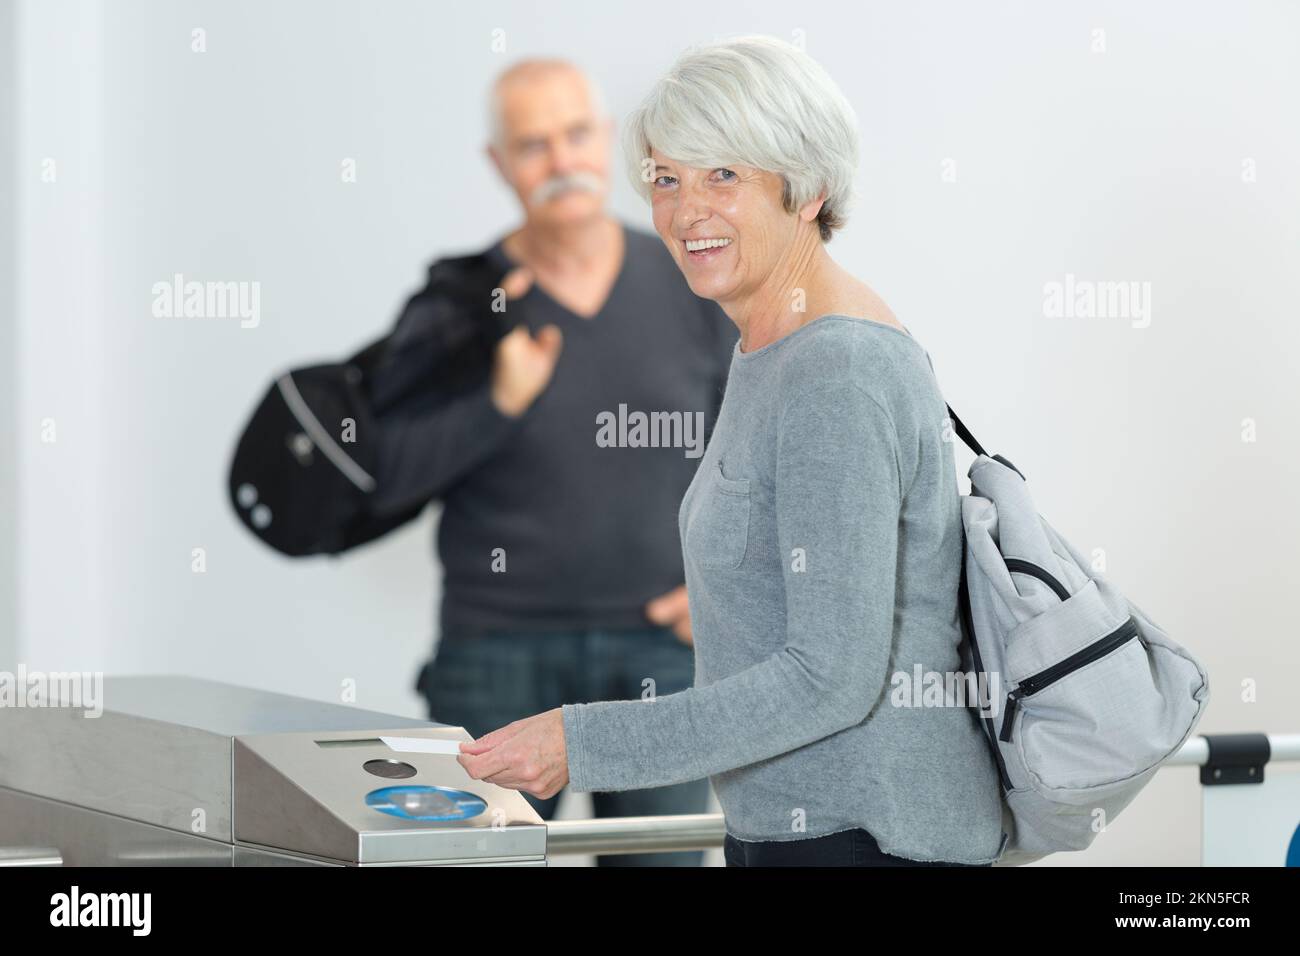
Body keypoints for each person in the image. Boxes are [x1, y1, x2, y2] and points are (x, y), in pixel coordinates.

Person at [456, 36, 1006, 867]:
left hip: (869, 837)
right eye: (667, 179)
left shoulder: (836, 368)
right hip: (804, 828)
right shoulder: (769, 347)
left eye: (724, 175)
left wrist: (582, 741)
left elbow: (829, 676)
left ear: (809, 188)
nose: (685, 210)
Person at [370, 59, 737, 865]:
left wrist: (725, 585)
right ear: (499, 165)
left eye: (576, 134)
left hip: (660, 656)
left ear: (608, 141)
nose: (560, 161)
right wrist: (495, 403)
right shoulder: (459, 301)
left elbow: (755, 451)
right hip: (492, 657)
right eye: (532, 146)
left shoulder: (691, 280)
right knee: (468, 864)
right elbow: (386, 475)